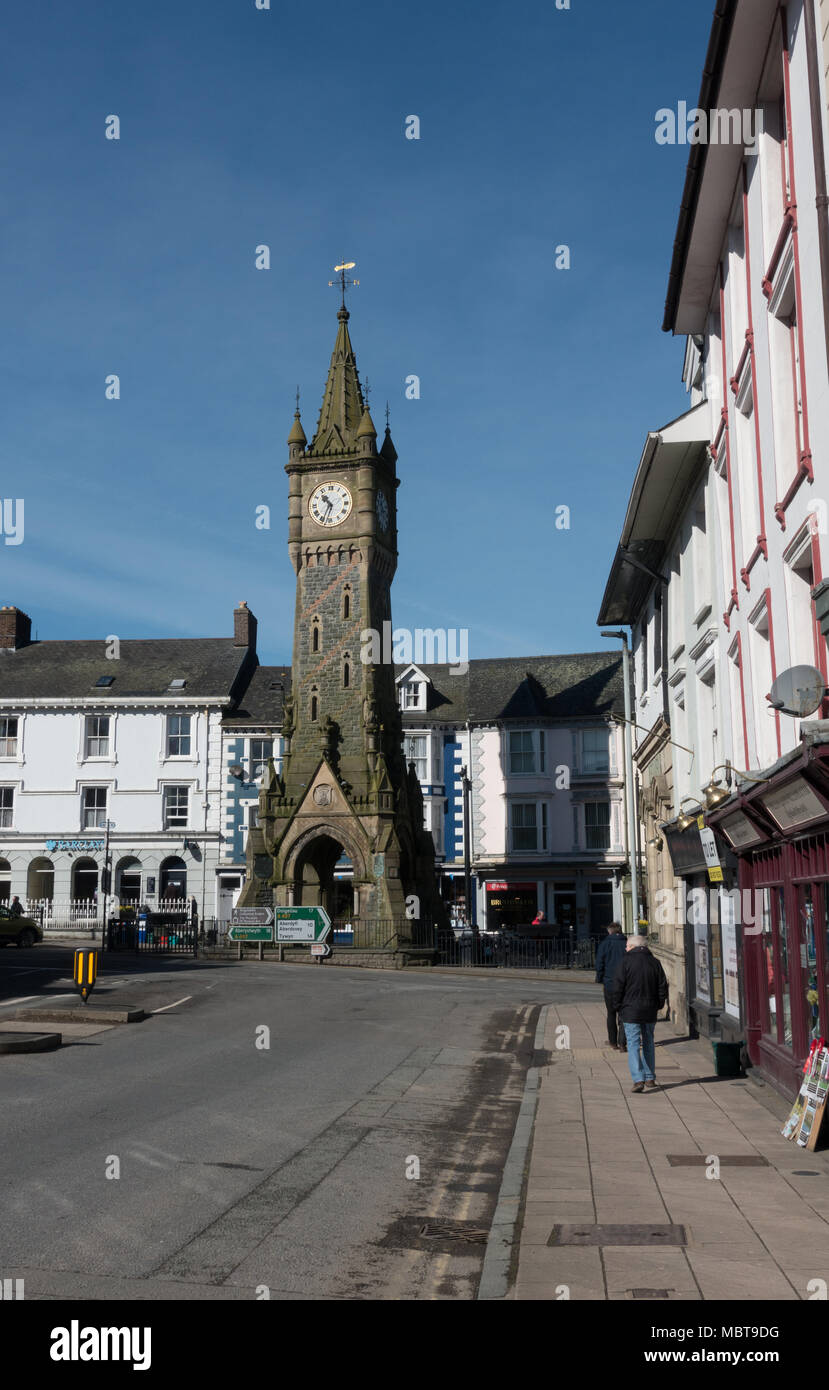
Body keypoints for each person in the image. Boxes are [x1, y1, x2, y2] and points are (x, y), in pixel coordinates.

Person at [609, 934, 669, 1093]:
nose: (625, 948)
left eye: (628, 946)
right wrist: (659, 1004)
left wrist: (617, 1007)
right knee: (648, 1042)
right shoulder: (655, 962)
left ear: (634, 947)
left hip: (630, 1010)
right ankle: (649, 1077)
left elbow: (617, 987)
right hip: (650, 1010)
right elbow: (662, 986)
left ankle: (638, 1080)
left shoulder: (625, 962)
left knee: (634, 1044)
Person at [594, 921, 627, 1050]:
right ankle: (623, 1043)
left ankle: (613, 1042)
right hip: (625, 983)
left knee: (611, 1013)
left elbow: (599, 963)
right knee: (624, 1013)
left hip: (609, 983)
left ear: (610, 931)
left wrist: (600, 978)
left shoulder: (604, 944)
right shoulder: (627, 943)